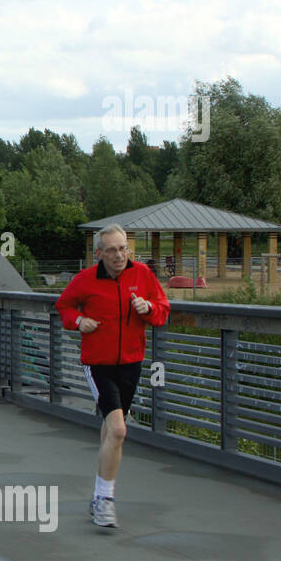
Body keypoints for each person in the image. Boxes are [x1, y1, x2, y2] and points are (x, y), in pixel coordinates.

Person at [55, 224, 170, 530]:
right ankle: (106, 501)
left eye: (123, 249)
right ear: (99, 254)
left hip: (132, 362)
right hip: (98, 364)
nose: (119, 255)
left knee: (110, 431)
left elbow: (163, 310)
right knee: (118, 430)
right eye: (112, 250)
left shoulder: (142, 274)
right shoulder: (85, 280)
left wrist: (148, 308)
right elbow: (63, 306)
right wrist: (79, 321)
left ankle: (96, 497)